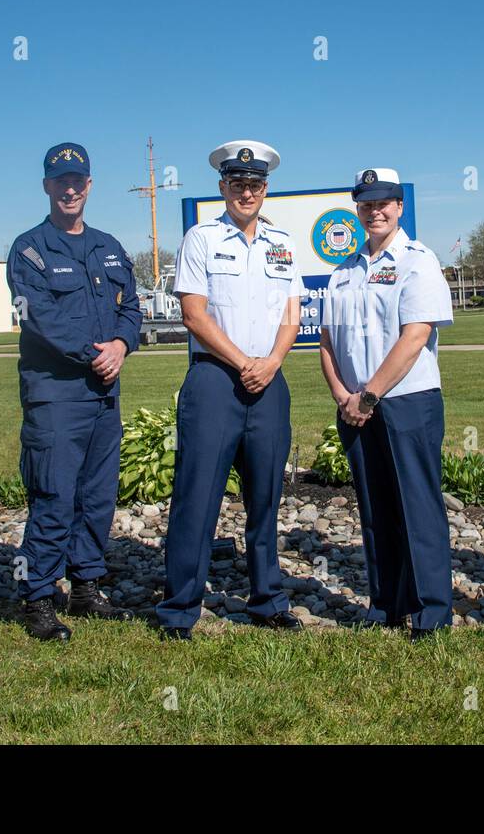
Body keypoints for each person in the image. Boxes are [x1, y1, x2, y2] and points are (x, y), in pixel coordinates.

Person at [156, 140, 302, 640]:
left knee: (266, 498)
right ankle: (179, 608)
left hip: (269, 379)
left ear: (265, 189)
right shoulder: (200, 238)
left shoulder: (282, 242)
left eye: (255, 184)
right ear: (222, 187)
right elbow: (193, 314)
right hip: (216, 380)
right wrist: (244, 363)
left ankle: (268, 600)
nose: (247, 191)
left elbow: (292, 312)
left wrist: (273, 362)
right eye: (237, 184)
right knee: (197, 498)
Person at [7, 143, 142, 641]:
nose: (69, 188)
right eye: (60, 180)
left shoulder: (109, 246)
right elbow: (39, 319)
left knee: (97, 494)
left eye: (77, 180)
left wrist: (123, 345)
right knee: (53, 495)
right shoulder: (29, 249)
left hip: (104, 395)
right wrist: (98, 354)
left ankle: (85, 586)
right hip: (56, 395)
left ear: (89, 185)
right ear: (46, 186)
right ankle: (37, 594)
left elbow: (133, 307)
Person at [319, 168, 455, 640]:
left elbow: (415, 335)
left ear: (399, 207)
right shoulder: (345, 271)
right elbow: (327, 341)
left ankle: (431, 610)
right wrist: (343, 395)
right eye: (366, 204)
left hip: (406, 400)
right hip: (355, 405)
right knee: (375, 507)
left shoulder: (419, 261)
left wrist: (370, 394)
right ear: (357, 210)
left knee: (417, 505)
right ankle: (386, 603)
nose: (375, 211)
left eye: (384, 203)